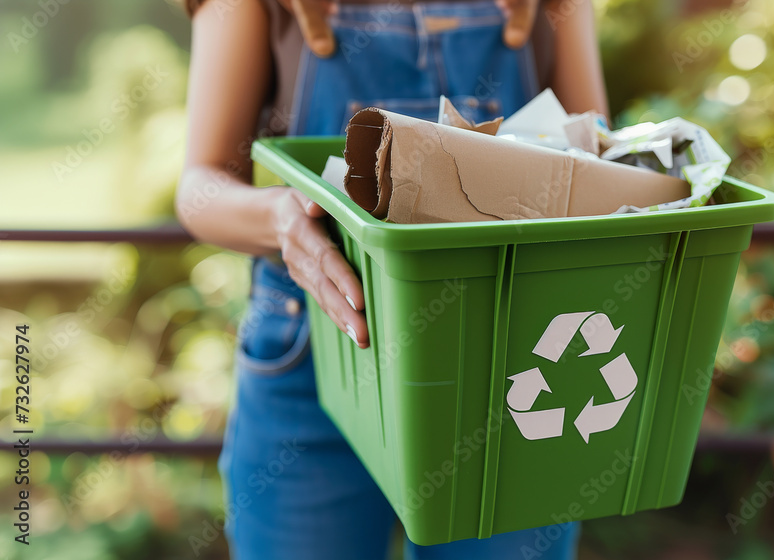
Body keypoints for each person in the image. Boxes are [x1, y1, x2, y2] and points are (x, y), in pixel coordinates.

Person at [176, 0, 608, 558]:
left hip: (511, 368)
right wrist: (282, 219)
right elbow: (201, 185)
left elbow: (596, 161)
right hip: (314, 367)